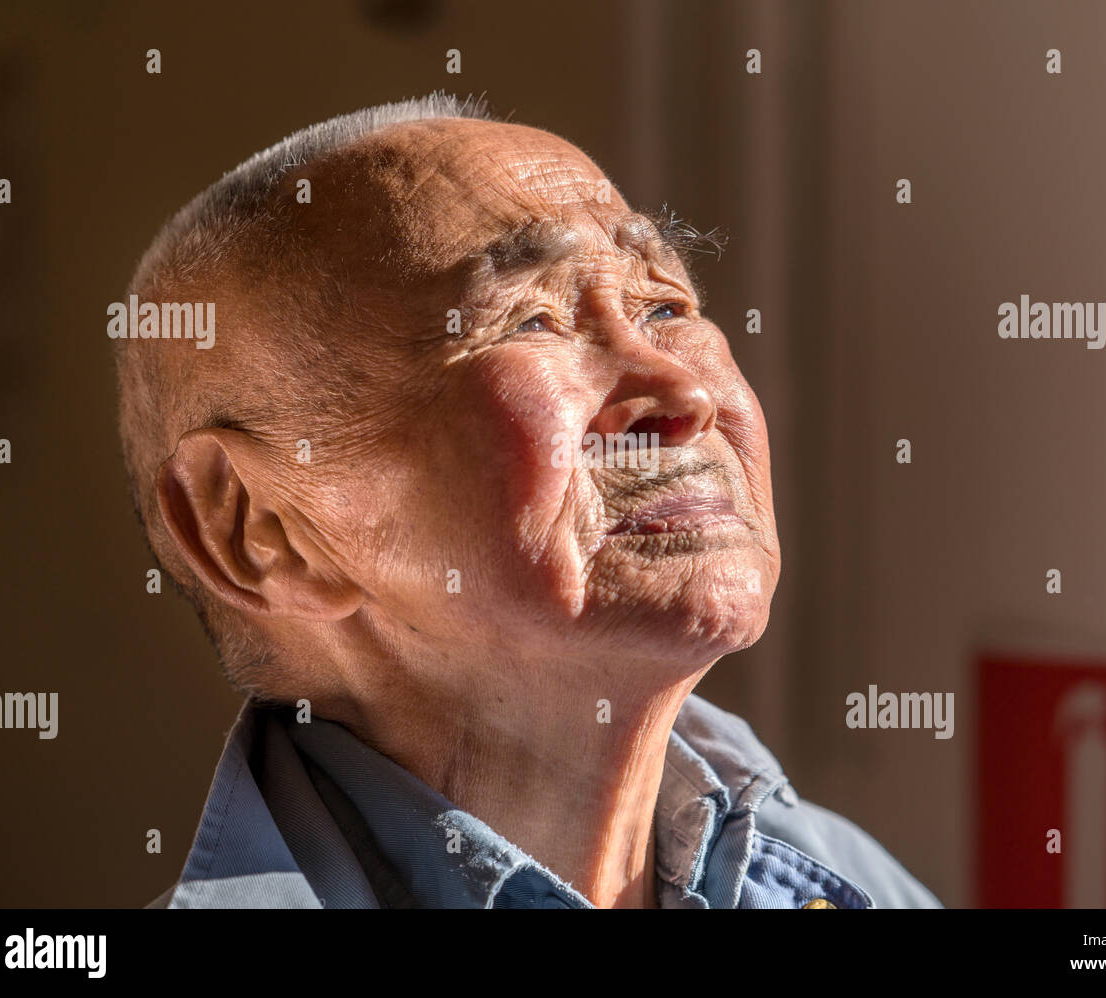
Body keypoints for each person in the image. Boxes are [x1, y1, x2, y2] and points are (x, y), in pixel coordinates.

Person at [117, 93, 940, 909]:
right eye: (531, 321)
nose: (683, 391)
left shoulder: (847, 880)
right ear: (257, 530)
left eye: (665, 306)